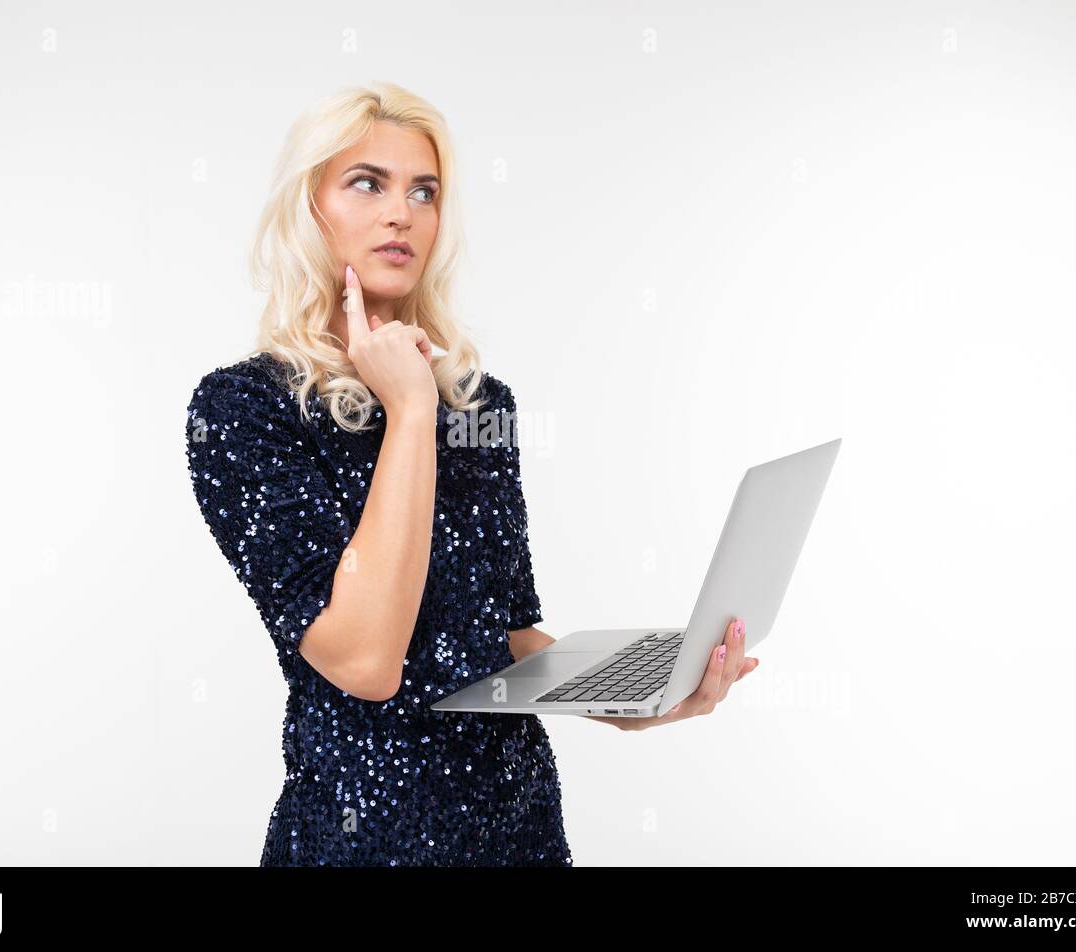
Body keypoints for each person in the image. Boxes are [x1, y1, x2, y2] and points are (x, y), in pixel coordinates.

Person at [185, 81, 759, 866]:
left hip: (516, 832)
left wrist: (642, 693)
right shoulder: (243, 410)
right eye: (367, 183)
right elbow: (364, 661)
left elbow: (508, 635)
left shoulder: (481, 404)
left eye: (425, 191)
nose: (403, 213)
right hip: (363, 841)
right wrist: (411, 413)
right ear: (307, 208)